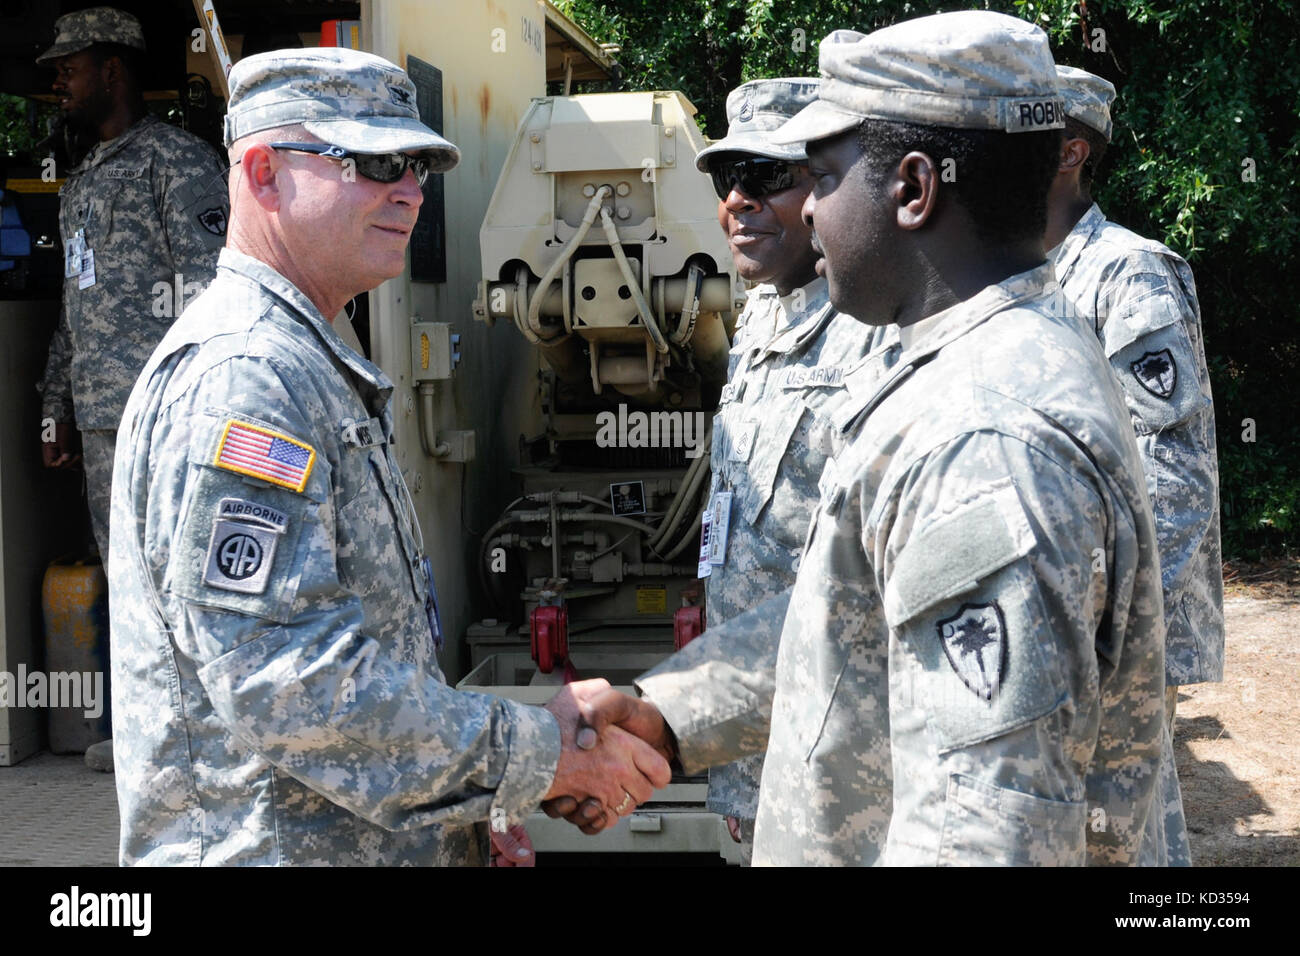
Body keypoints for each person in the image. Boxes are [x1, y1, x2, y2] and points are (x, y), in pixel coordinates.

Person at [549, 12, 1170, 866]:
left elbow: (984, 830)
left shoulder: (984, 435)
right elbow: (852, 621)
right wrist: (668, 714)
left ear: (914, 190)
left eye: (825, 176)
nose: (811, 213)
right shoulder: (966, 370)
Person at [107, 47, 670, 866]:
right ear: (263, 173)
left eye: (415, 166)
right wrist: (537, 754)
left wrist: (469, 809)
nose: (408, 190)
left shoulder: (302, 358)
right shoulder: (245, 378)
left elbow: (362, 657)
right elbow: (287, 682)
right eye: (371, 163)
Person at [694, 77, 897, 862]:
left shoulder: (872, 338)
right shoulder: (762, 322)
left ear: (821, 191)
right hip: (761, 738)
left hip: (842, 756)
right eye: (725, 179)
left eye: (766, 176)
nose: (737, 201)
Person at [1046, 65, 1224, 866]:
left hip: (1108, 641)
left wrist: (1104, 626)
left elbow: (1177, 473)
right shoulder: (1014, 278)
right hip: (1046, 633)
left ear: (1071, 152)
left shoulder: (1125, 273)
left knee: (1126, 850)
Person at [37, 7, 229, 559]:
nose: (57, 83)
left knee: (180, 575)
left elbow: (214, 295)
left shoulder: (177, 163)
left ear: (111, 72)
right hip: (103, 428)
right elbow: (76, 302)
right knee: (125, 581)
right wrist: (58, 404)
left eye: (68, 68)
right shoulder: (81, 181)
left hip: (168, 423)